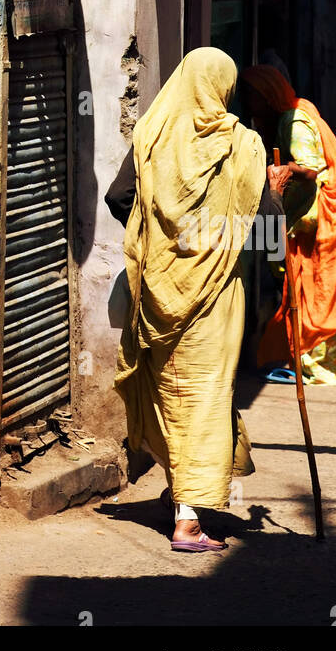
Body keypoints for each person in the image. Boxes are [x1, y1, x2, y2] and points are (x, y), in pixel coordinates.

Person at [106, 48, 287, 552]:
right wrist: (267, 191)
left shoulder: (153, 133)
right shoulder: (245, 147)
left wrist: (162, 240)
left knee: (172, 395)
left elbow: (119, 198)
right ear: (224, 89)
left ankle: (179, 491)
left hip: (158, 292)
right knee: (205, 399)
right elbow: (268, 232)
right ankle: (188, 522)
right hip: (215, 301)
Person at [241, 65, 336, 386]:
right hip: (309, 218)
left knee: (310, 290)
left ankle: (311, 360)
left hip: (313, 220)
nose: (249, 104)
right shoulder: (299, 110)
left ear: (268, 95)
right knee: (310, 288)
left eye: (253, 96)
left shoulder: (293, 119)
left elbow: (310, 168)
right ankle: (306, 357)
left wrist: (277, 171)